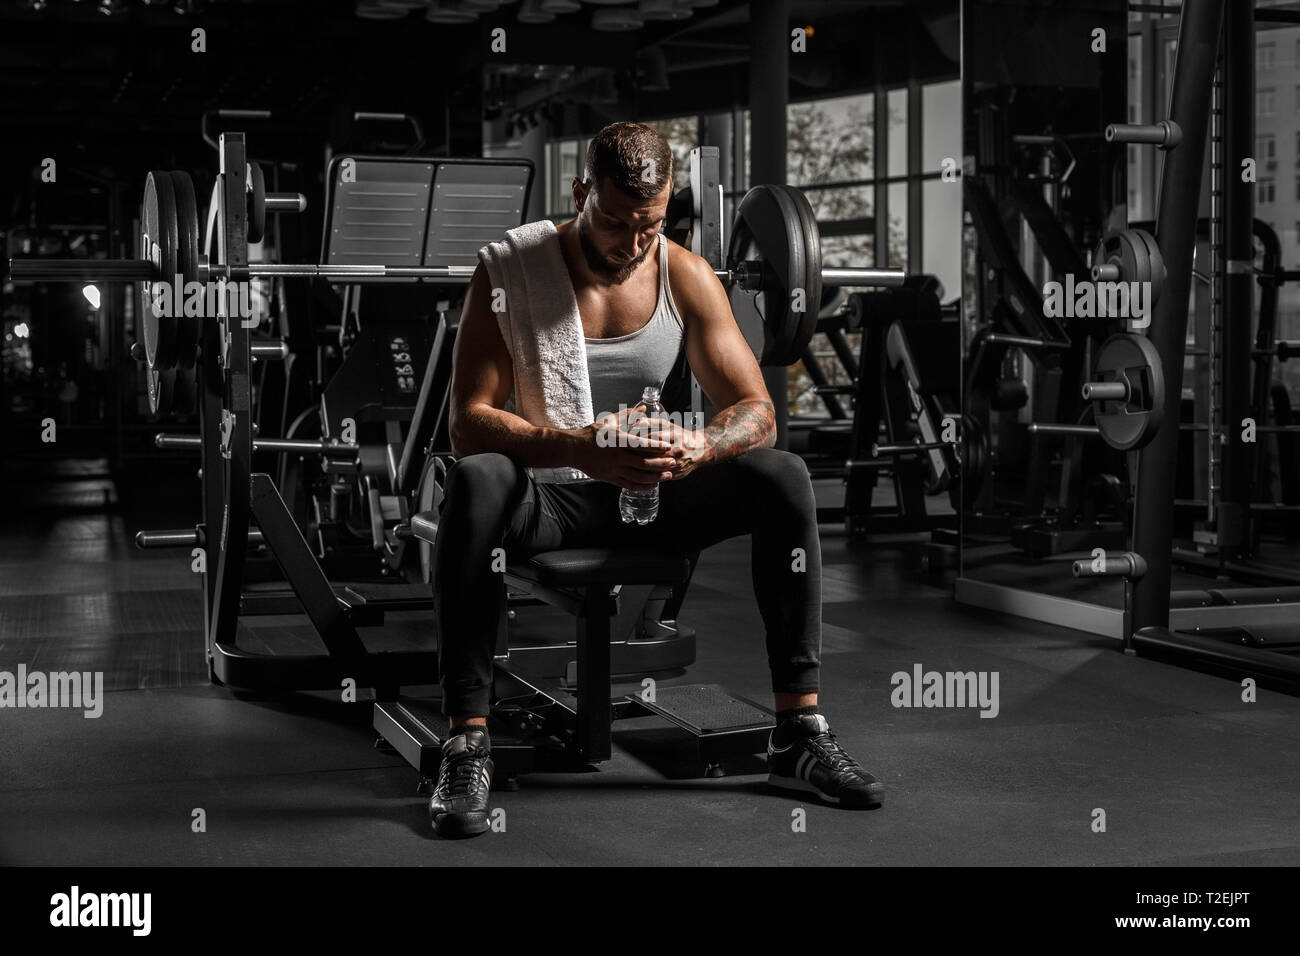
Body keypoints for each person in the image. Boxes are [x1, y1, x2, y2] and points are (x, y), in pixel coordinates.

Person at [429, 121, 883, 838]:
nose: (633, 242)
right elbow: (469, 424)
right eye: (615, 222)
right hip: (550, 495)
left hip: (649, 492)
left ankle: (797, 731)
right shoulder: (511, 271)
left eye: (651, 224)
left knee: (783, 476)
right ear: (581, 192)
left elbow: (757, 411)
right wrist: (582, 446)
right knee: (478, 479)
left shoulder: (687, 276)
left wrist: (699, 447)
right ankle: (467, 740)